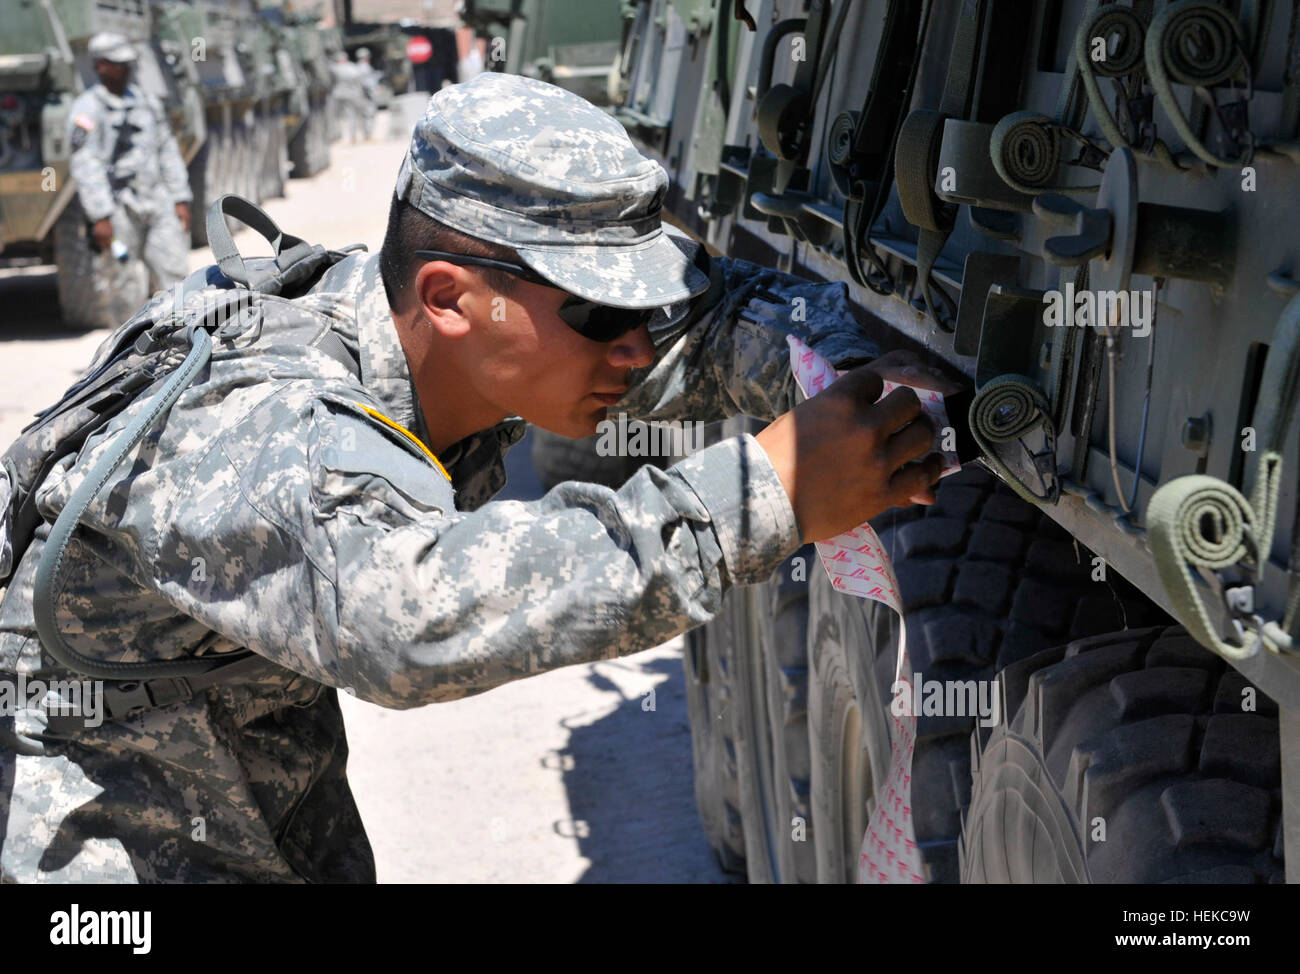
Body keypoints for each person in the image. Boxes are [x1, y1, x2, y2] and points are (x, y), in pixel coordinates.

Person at [0, 73, 953, 882]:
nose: (636, 344)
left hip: (247, 790)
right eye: (598, 311)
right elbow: (412, 618)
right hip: (97, 846)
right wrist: (761, 499)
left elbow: (705, 320)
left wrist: (839, 366)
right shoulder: (266, 420)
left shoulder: (466, 337)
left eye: (644, 305)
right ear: (451, 299)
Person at [66, 32, 192, 327]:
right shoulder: (86, 110)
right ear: (102, 66)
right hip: (119, 212)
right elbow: (85, 165)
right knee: (125, 281)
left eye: (128, 63)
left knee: (175, 271)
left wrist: (181, 197)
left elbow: (167, 150)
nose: (128, 69)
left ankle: (186, 339)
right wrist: (101, 216)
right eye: (119, 63)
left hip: (158, 203)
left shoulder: (147, 103)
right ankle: (131, 352)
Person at [329, 51, 368, 143]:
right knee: (352, 115)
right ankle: (353, 136)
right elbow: (359, 82)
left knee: (335, 117)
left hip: (338, 95)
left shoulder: (334, 68)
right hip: (352, 94)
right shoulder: (352, 68)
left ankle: (337, 136)